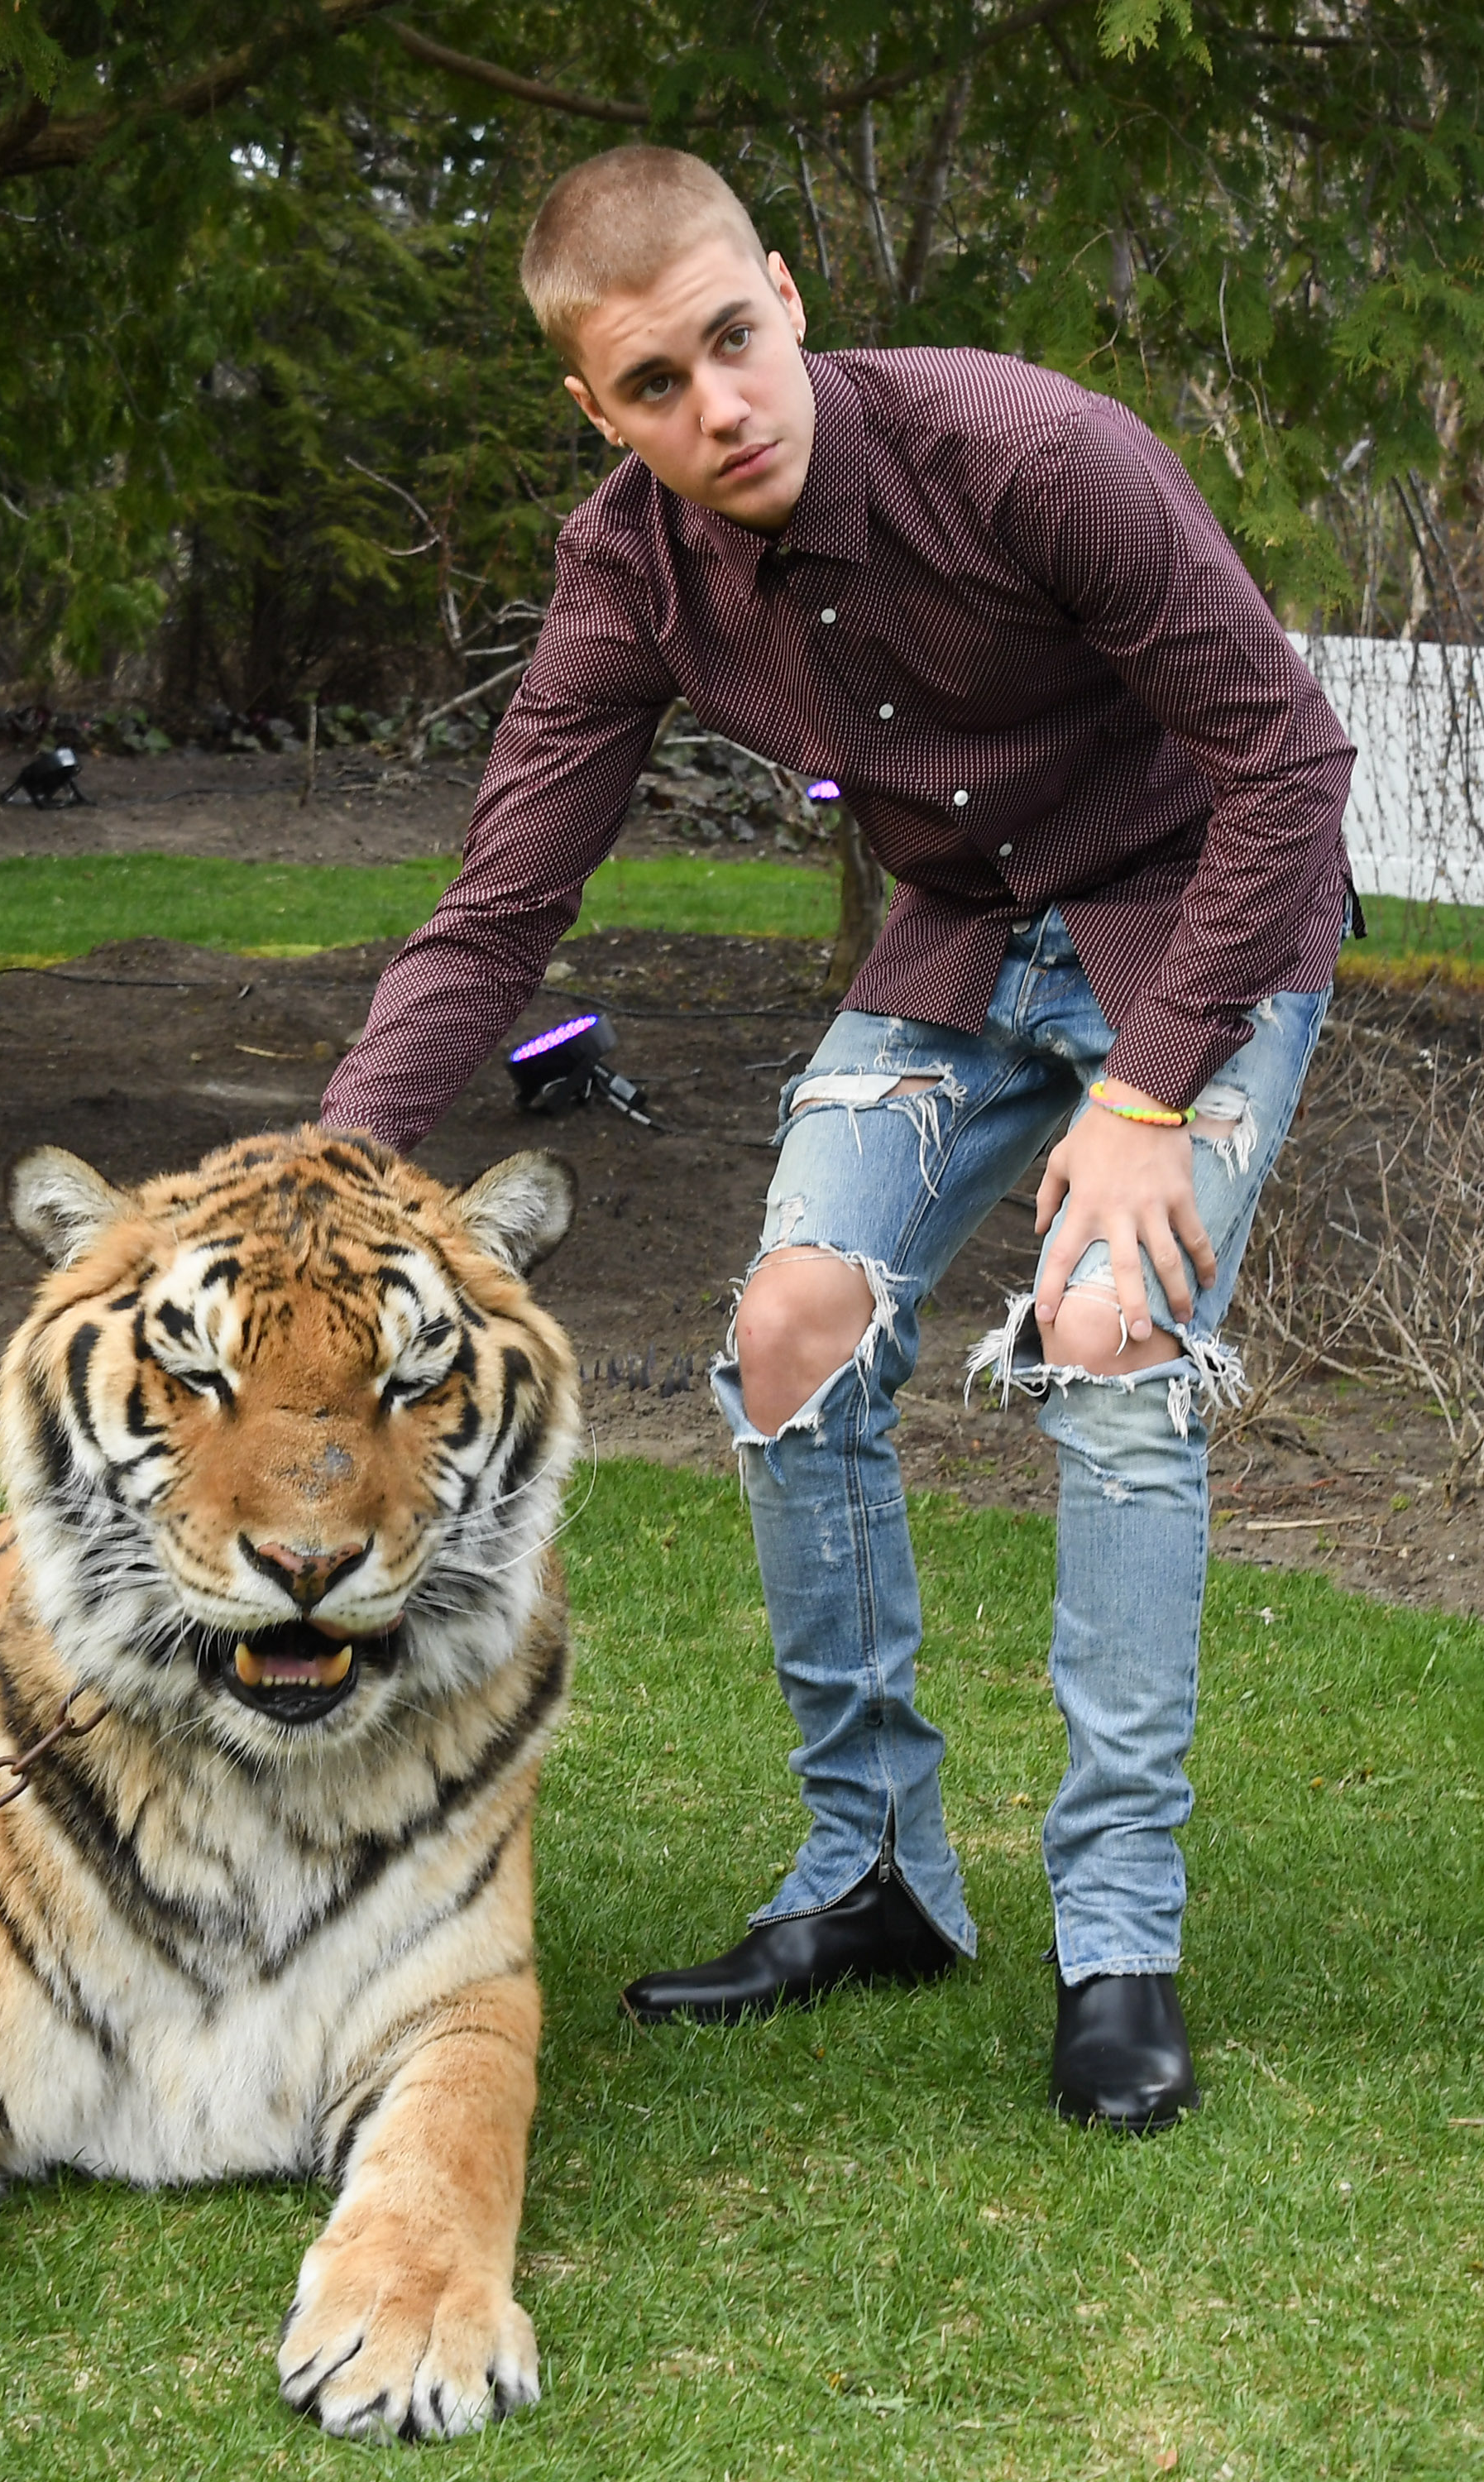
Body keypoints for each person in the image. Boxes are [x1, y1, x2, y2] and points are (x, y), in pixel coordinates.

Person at [318, 146, 1353, 2134]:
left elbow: (1289, 764)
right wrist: (336, 1176)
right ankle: (872, 1877)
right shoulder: (629, 567)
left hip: (1195, 922)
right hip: (962, 943)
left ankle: (1114, 1937)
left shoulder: (1031, 453)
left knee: (1112, 1337)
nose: (715, 408)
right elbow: (498, 912)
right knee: (790, 1333)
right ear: (594, 407)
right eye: (652, 385)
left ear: (783, 295)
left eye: (731, 340)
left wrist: (1148, 1097)